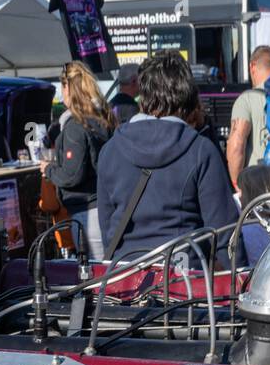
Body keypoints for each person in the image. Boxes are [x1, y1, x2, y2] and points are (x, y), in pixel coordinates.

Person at [95, 51, 238, 262]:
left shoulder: (110, 150)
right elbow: (225, 235)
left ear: (142, 94)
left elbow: (108, 230)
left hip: (124, 279)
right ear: (188, 96)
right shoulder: (200, 150)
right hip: (186, 280)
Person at [43, 61, 115, 259]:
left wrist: (48, 169)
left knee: (96, 275)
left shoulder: (77, 125)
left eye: (62, 86)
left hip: (88, 211)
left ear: (68, 87)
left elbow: (71, 175)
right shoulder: (102, 119)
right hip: (106, 206)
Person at [227, 46, 270, 186]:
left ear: (252, 66)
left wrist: (237, 183)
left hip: (257, 185)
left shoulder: (246, 100)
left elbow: (236, 145)